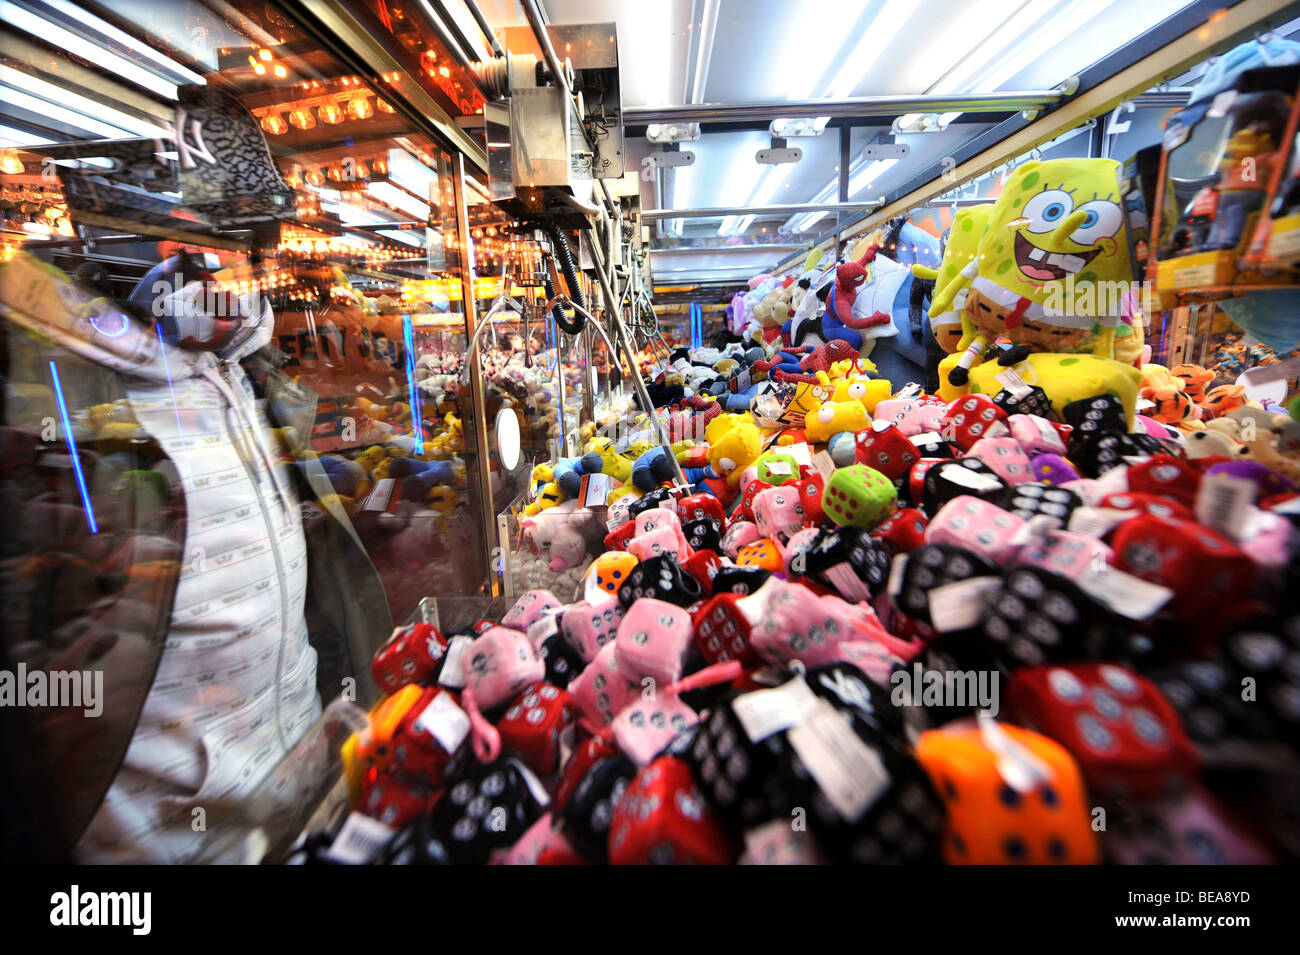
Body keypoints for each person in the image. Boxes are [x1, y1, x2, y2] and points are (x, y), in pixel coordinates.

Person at [0, 248, 391, 863]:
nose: (233, 272)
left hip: (300, 791)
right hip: (165, 843)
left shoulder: (239, 375)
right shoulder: (84, 396)